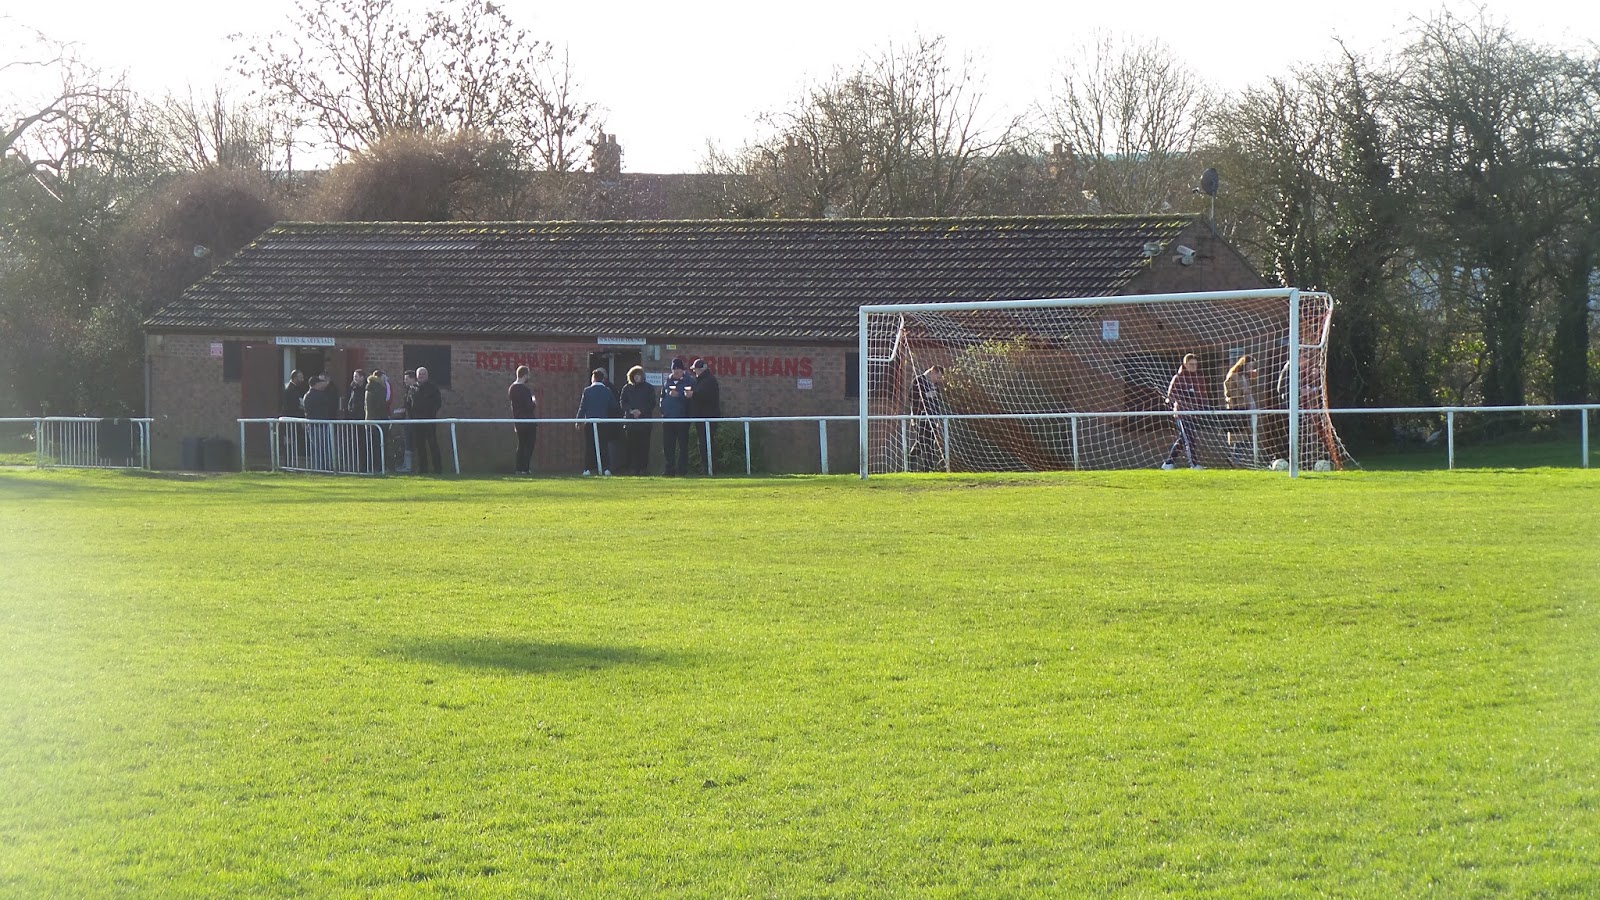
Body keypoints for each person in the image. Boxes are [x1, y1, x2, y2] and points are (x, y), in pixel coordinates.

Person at [1161, 353, 1207, 470]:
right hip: (1181, 413)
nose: (1193, 367)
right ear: (1185, 364)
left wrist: (1202, 405)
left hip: (1194, 413)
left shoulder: (1199, 378)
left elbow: (1203, 395)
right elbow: (1171, 395)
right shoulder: (1178, 378)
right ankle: (1193, 464)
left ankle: (1168, 463)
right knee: (1190, 438)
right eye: (1191, 364)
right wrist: (1185, 396)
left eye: (1195, 364)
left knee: (1183, 439)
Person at [575, 367, 622, 475]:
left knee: (589, 446)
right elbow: (614, 407)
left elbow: (582, 407)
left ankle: (588, 469)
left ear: (593, 378)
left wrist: (578, 420)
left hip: (589, 423)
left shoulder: (587, 391)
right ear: (603, 379)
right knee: (603, 446)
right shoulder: (607, 391)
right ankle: (606, 469)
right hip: (603, 423)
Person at [658, 357, 696, 476]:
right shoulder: (667, 382)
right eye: (674, 369)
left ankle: (682, 470)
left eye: (679, 369)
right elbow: (662, 397)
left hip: (682, 418)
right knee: (668, 446)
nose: (676, 372)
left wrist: (679, 395)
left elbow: (692, 399)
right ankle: (669, 470)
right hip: (668, 418)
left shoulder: (689, 381)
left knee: (683, 446)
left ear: (683, 370)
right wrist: (663, 409)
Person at [908, 365, 947, 472]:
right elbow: (912, 398)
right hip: (920, 417)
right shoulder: (918, 380)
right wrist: (926, 396)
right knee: (922, 442)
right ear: (932, 372)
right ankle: (911, 460)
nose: (937, 380)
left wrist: (937, 417)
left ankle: (928, 468)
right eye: (937, 377)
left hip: (932, 417)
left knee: (930, 442)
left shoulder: (935, 385)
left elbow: (936, 402)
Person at [619, 365, 657, 475]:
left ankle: (643, 469)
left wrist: (641, 411)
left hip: (645, 423)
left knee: (644, 446)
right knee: (631, 446)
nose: (636, 377)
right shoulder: (627, 388)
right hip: (630, 423)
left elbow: (651, 403)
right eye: (634, 375)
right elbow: (622, 402)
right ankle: (632, 468)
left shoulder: (649, 388)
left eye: (638, 375)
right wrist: (631, 411)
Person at [1223, 354, 1259, 467]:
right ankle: (1236, 458)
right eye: (1249, 366)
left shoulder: (1245, 377)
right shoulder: (1233, 375)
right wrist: (1242, 393)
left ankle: (1236, 458)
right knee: (1241, 436)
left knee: (1247, 435)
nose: (1251, 368)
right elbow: (1228, 392)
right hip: (1238, 408)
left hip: (1248, 407)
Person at [688, 358, 722, 475]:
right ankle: (707, 468)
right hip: (701, 416)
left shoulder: (709, 381)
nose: (694, 372)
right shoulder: (702, 380)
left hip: (708, 416)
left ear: (700, 369)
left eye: (695, 369)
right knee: (703, 442)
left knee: (707, 443)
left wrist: (693, 394)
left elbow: (706, 396)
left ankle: (710, 468)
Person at [410, 366, 444, 474]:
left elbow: (438, 403)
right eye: (419, 374)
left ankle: (437, 469)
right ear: (416, 376)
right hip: (417, 421)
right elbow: (408, 403)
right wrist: (412, 416)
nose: (421, 376)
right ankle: (422, 468)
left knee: (433, 444)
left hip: (429, 421)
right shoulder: (412, 388)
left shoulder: (433, 388)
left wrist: (431, 414)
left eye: (423, 374)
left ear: (427, 375)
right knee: (419, 446)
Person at [300, 373, 338, 469]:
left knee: (317, 448)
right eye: (320, 383)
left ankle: (319, 466)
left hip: (313, 425)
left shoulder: (307, 395)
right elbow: (328, 405)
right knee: (324, 447)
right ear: (316, 384)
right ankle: (325, 467)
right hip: (320, 425)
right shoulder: (319, 395)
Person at [508, 365, 538, 474]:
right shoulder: (525, 390)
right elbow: (529, 407)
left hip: (518, 421)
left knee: (521, 445)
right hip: (528, 422)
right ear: (524, 375)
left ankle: (519, 468)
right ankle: (525, 468)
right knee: (529, 446)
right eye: (528, 375)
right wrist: (534, 401)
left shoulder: (511, 388)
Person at [364, 369, 389, 472]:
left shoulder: (369, 387)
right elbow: (380, 406)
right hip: (378, 420)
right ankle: (379, 467)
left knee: (371, 446)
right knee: (379, 445)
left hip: (369, 420)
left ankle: (371, 467)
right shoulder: (379, 388)